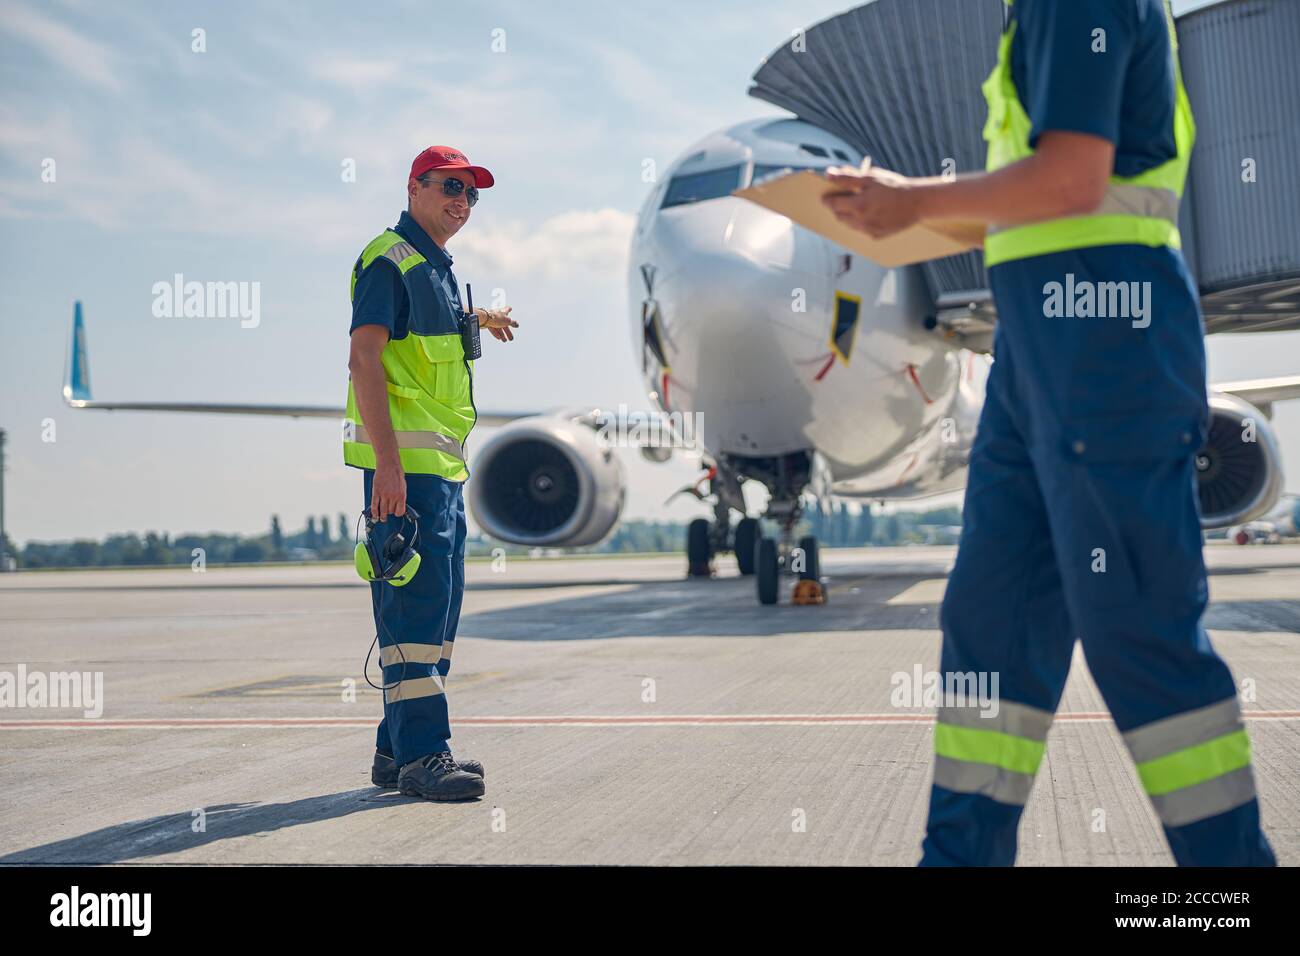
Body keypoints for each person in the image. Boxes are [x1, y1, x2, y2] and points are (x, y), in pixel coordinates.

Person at [824, 0, 1275, 865]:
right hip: (1035, 350)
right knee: (992, 623)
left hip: (1107, 339)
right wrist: (894, 215)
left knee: (1136, 627)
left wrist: (909, 199)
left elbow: (1070, 179)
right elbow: (1044, 198)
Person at [345, 146, 518, 801]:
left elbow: (428, 344)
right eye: (451, 186)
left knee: (437, 617)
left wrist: (478, 318)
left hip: (440, 476)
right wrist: (387, 468)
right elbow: (366, 359)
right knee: (414, 614)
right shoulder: (389, 259)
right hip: (405, 478)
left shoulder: (435, 270)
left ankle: (395, 752)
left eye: (472, 193)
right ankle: (423, 756)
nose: (462, 201)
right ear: (414, 187)